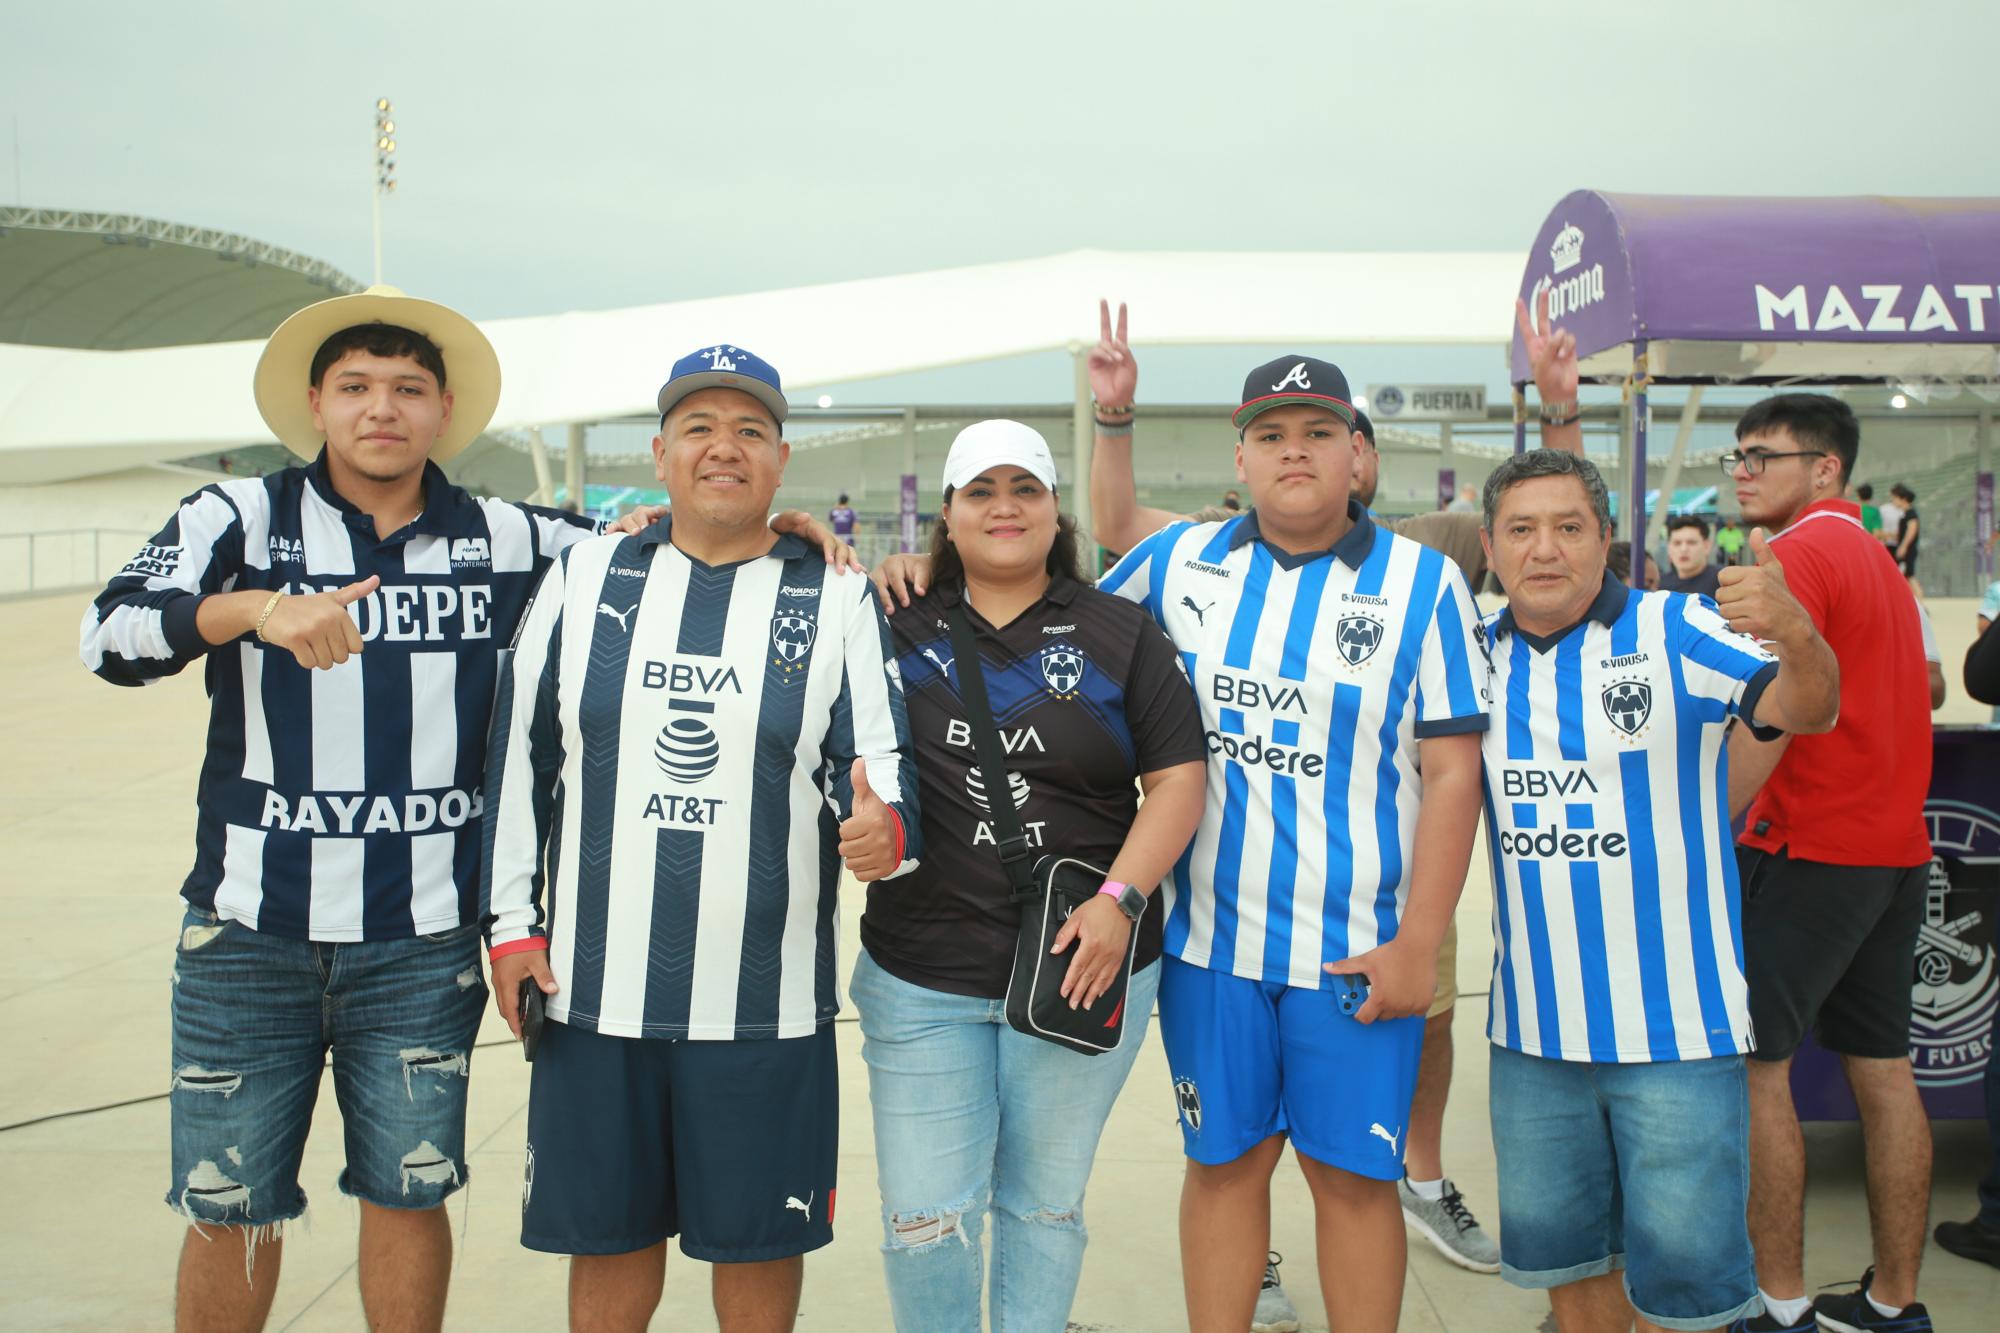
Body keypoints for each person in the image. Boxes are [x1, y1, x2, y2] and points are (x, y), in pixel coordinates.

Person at [78, 285, 659, 1333]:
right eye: (354, 387)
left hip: (421, 938)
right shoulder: (237, 516)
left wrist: (797, 532)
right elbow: (110, 635)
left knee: (408, 1189)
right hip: (247, 932)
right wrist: (255, 609)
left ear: (444, 409)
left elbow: (673, 553)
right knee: (228, 1203)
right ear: (316, 404)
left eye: (406, 388)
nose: (380, 408)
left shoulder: (510, 536)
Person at [481, 345, 922, 1332]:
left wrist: (883, 828)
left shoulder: (835, 594)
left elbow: (881, 765)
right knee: (606, 1243)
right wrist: (511, 926)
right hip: (593, 996)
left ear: (780, 460)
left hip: (765, 1008)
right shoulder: (582, 574)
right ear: (661, 453)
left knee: (756, 1252)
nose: (724, 447)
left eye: (750, 430)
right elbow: (518, 762)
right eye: (699, 428)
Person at [1083, 302, 1506, 1305]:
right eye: (1270, 434)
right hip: (1208, 951)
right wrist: (914, 571)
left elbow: (1454, 774)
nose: (1295, 451)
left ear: (1357, 454)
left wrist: (1420, 942)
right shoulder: (1182, 561)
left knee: (1353, 1182)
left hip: (1355, 955)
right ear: (1240, 458)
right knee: (1223, 1168)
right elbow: (1053, 614)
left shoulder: (1424, 584)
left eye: (1319, 431)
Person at [853, 419, 1207, 1331]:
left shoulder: (1121, 632)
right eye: (981, 490)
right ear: (948, 513)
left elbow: (1178, 781)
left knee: (1042, 1208)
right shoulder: (891, 622)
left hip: (1078, 965)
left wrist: (1120, 901)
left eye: (1025, 488)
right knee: (924, 1221)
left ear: (1057, 510)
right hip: (921, 973)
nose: (1004, 507)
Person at [1476, 447, 1839, 1333]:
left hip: (1677, 1035)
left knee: (1687, 1302)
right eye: (1522, 529)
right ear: (1490, 546)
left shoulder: (1675, 627)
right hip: (1531, 1036)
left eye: (1569, 526)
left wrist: (1796, 632)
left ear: (1606, 537)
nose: (1545, 548)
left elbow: (1810, 708)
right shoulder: (1470, 654)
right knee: (1572, 1278)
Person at [1722, 395, 1936, 1333]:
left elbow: (1763, 713)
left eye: (1763, 456)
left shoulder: (1798, 553)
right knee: (1884, 1070)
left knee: (1753, 1069)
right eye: (1737, 455)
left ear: (1825, 470)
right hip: (1893, 848)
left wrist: (1711, 814)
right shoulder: (1879, 558)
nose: (1742, 472)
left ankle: (1778, 1306)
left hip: (1809, 845)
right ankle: (1895, 1302)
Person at [1659, 514, 1723, 598]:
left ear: (1706, 546)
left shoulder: (1722, 581)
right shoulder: (1659, 586)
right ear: (1669, 548)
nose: (1683, 549)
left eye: (1691, 542)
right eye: (1677, 543)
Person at [1891, 483, 1923, 596]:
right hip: (1906, 549)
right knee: (1906, 577)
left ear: (1903, 499)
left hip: (1908, 550)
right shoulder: (1905, 514)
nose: (1893, 501)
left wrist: (1903, 546)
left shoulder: (1910, 513)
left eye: (1895, 498)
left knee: (1910, 576)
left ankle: (1921, 603)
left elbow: (1912, 529)